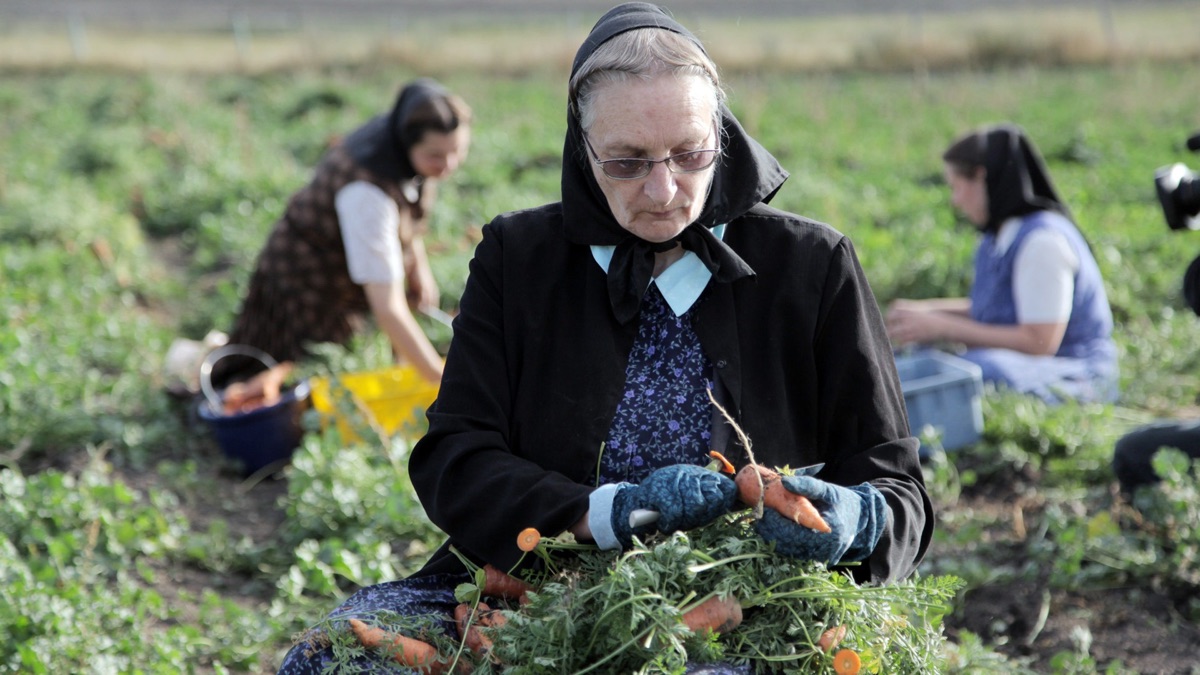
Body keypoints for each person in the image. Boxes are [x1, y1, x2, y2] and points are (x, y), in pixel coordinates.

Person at [277, 3, 931, 672]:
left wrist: (853, 519)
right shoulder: (518, 258)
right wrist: (602, 512)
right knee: (329, 659)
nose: (664, 189)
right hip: (533, 593)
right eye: (626, 162)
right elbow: (456, 458)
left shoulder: (812, 265)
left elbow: (898, 487)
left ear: (722, 136)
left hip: (748, 605)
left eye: (691, 154)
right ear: (582, 150)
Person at [211, 78, 468, 388]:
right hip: (307, 282)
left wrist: (419, 267)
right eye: (436, 156)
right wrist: (444, 382)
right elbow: (388, 309)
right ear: (407, 142)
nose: (449, 165)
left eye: (457, 150)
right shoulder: (366, 195)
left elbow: (407, 206)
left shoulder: (399, 141)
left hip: (341, 272)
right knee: (293, 377)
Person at [886, 123, 1119, 405]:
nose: (955, 201)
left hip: (1074, 373)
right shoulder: (997, 236)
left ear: (981, 177)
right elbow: (1000, 310)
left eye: (956, 187)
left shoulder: (1042, 242)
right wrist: (926, 313)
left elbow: (1039, 342)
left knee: (979, 370)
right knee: (924, 361)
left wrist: (943, 327)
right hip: (1029, 366)